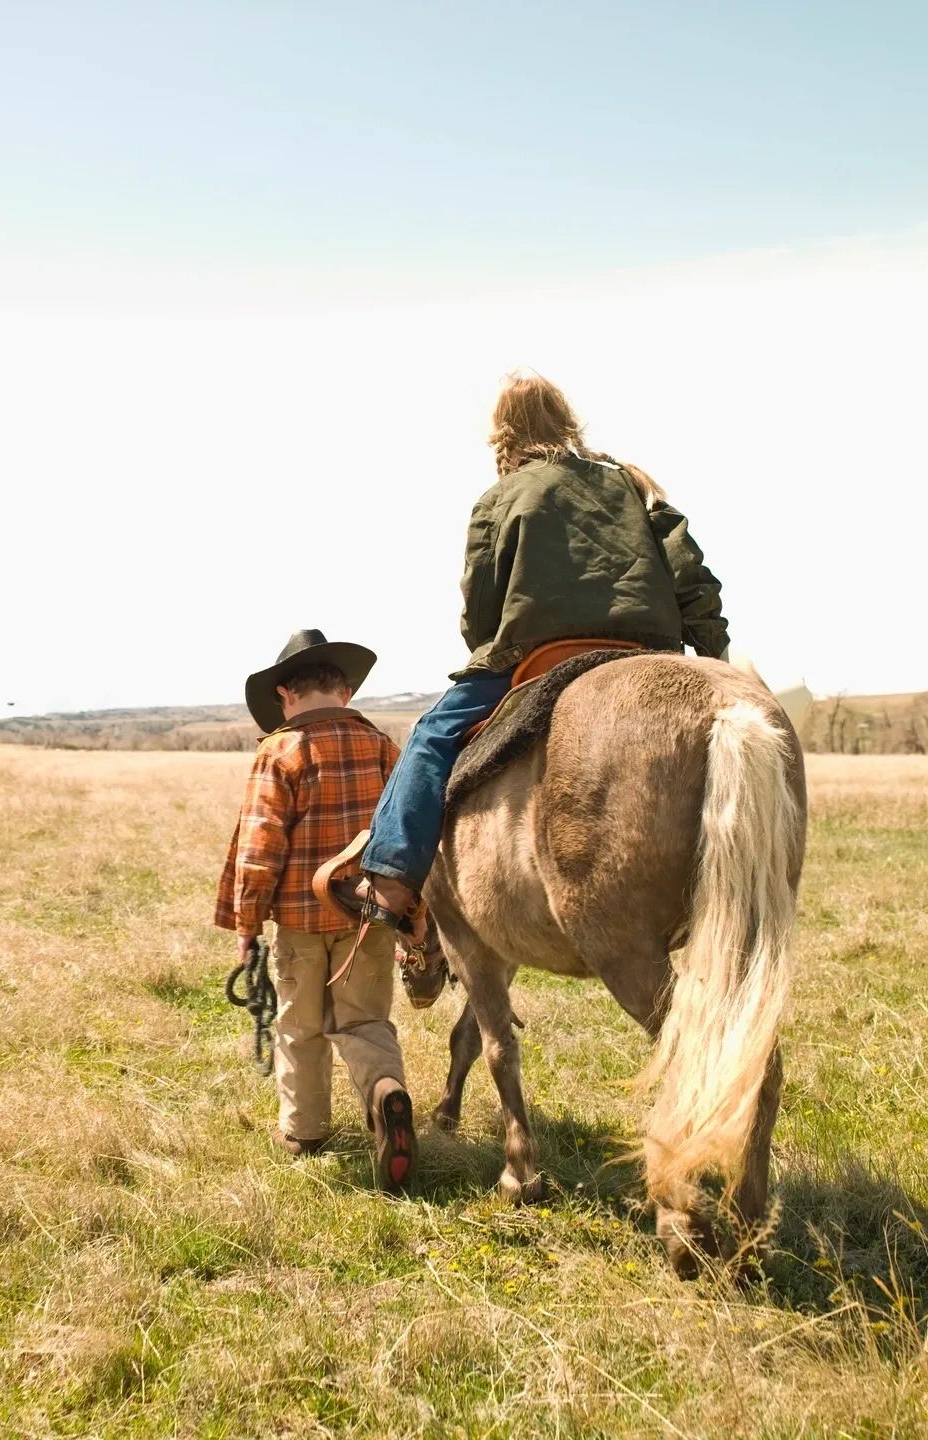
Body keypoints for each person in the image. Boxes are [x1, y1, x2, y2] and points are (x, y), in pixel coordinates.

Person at [338, 373, 731, 1000]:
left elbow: (479, 612)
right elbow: (689, 569)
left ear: (503, 433)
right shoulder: (631, 482)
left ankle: (389, 878)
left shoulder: (503, 495)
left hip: (543, 653)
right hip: (649, 647)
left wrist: (492, 646)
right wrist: (714, 654)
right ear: (568, 421)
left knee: (431, 735)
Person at [213, 628, 418, 1192]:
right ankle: (385, 1093)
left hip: (302, 923)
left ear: (285, 696)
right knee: (365, 1021)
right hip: (369, 920)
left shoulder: (280, 750)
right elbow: (408, 834)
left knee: (299, 1027)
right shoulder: (382, 745)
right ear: (345, 692)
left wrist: (247, 926)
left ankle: (305, 1133)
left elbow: (260, 847)